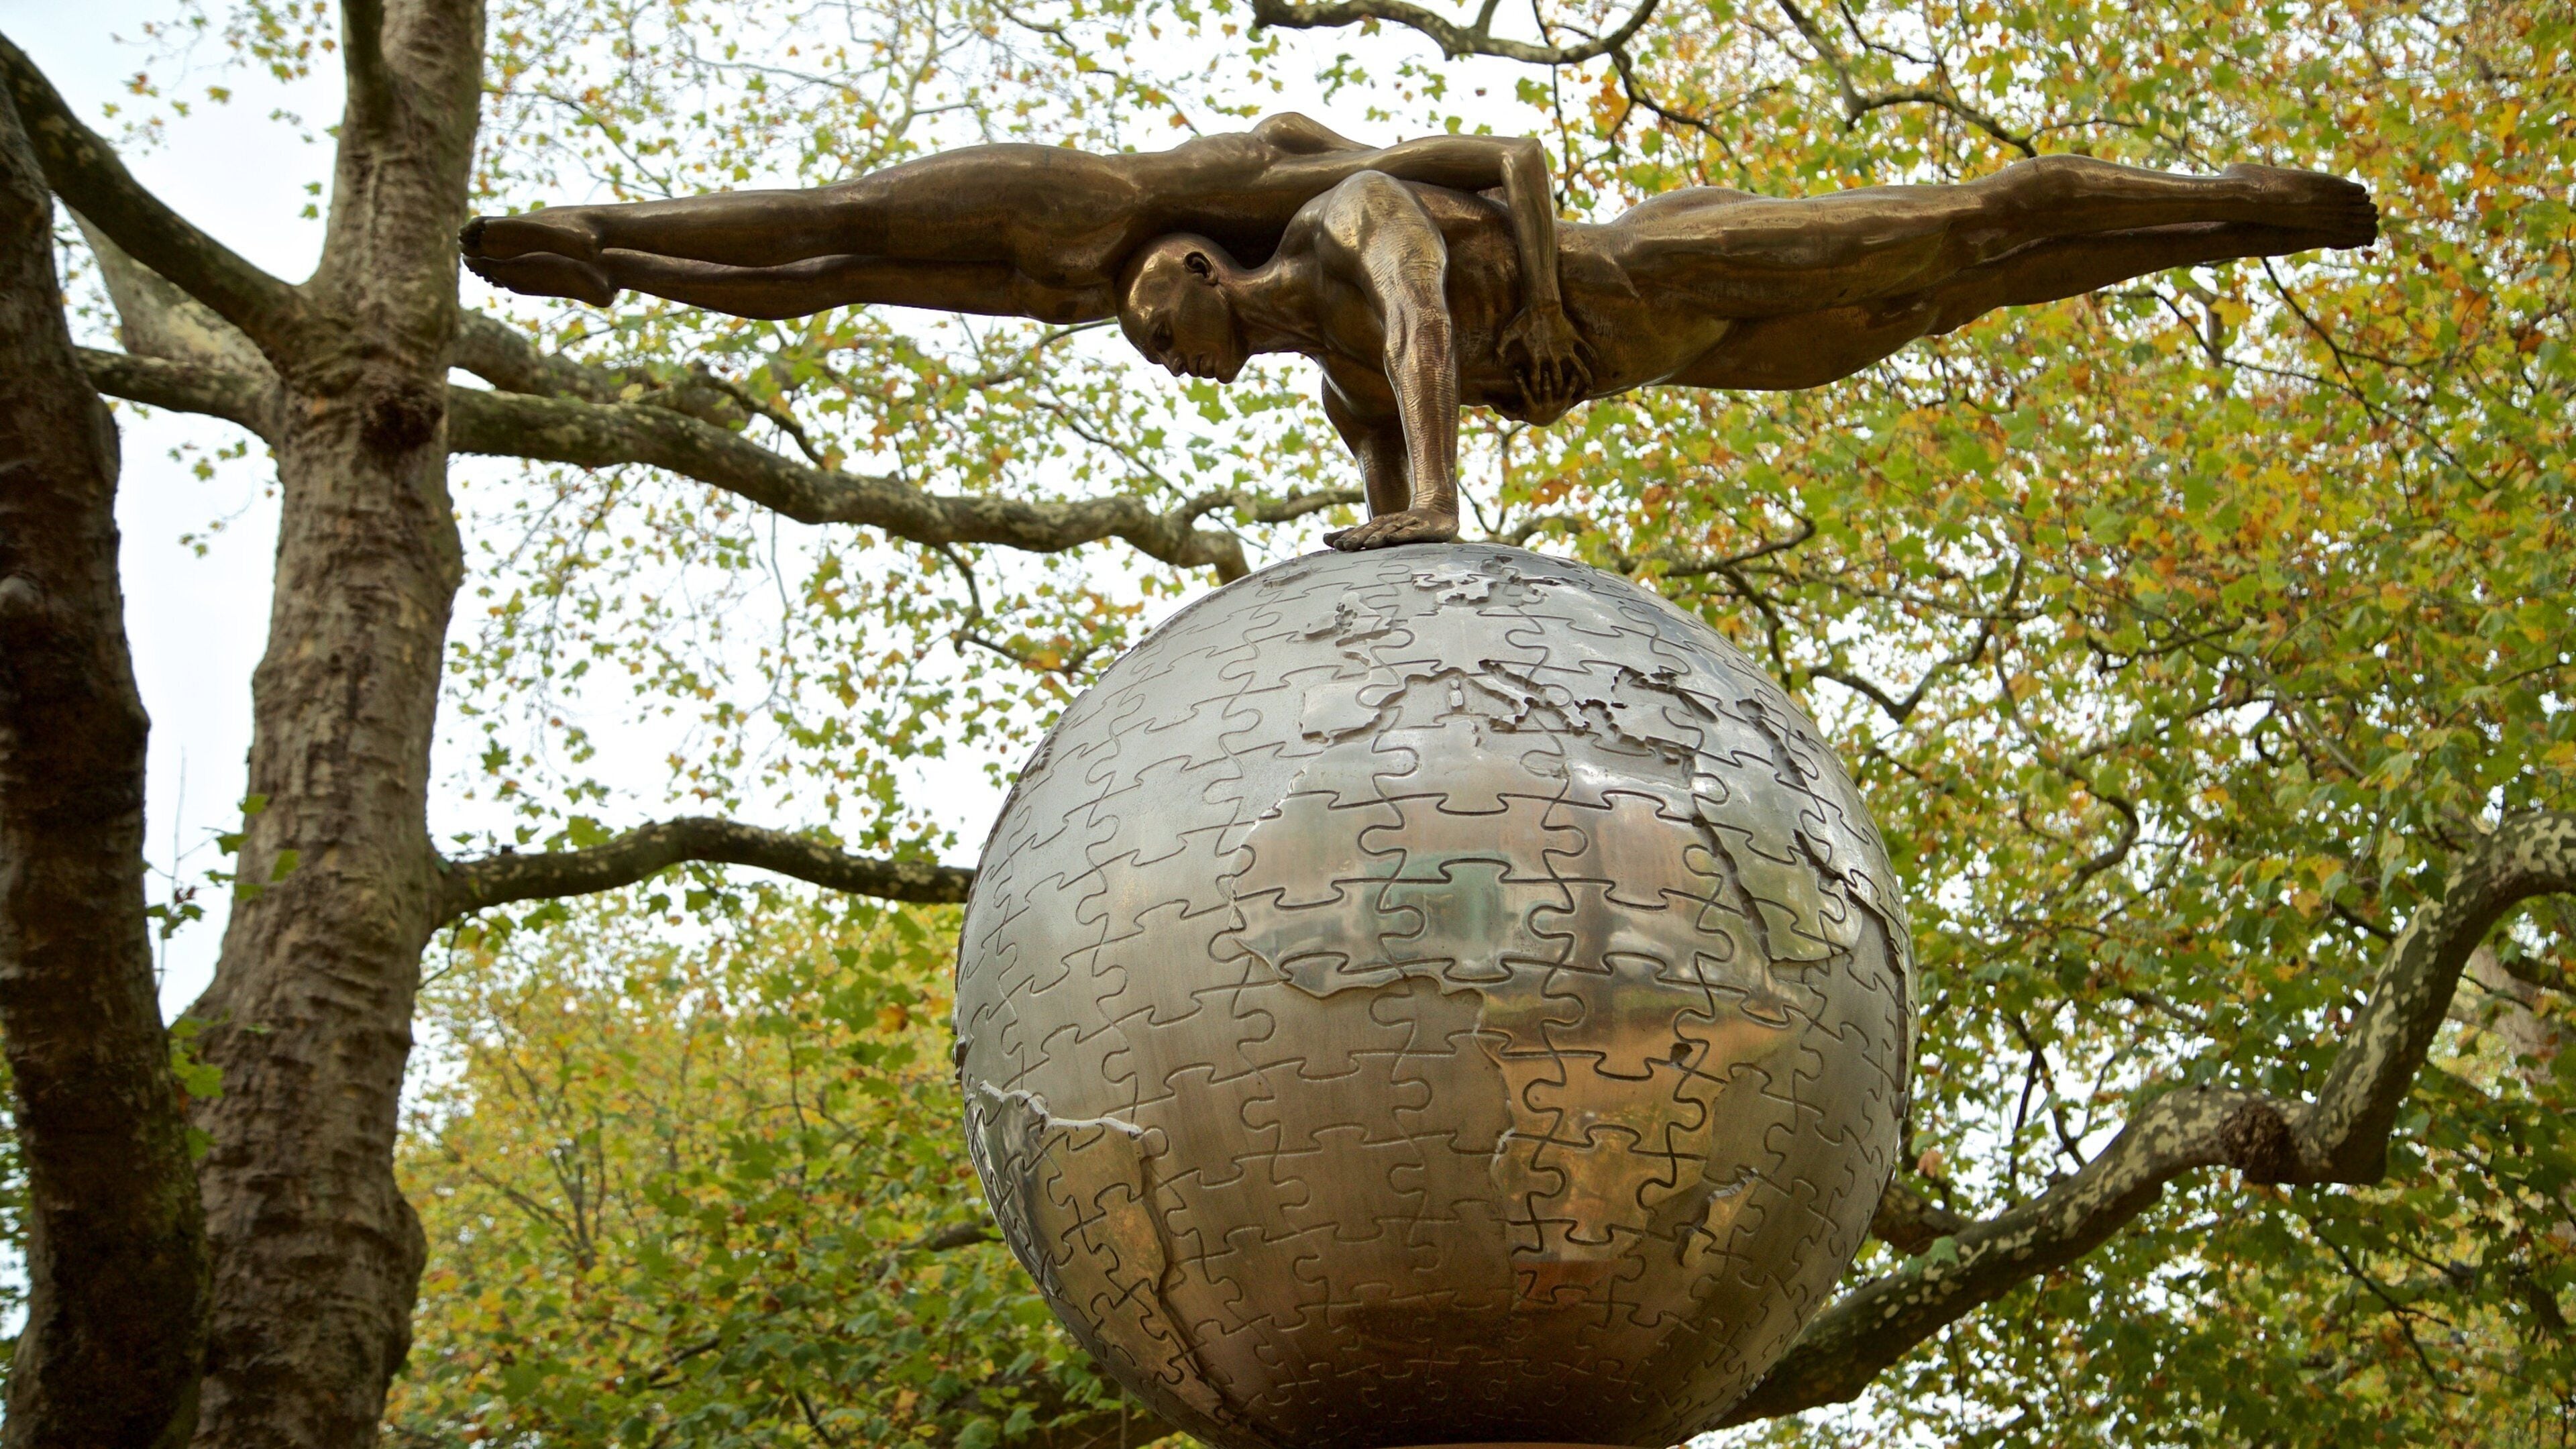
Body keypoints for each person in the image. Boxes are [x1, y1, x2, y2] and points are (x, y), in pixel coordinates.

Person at [1108, 154, 2379, 550]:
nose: (1169, 356)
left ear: (1201, 272)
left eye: (1160, 325)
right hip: (1670, 357)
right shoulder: (1351, 402)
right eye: (1152, 354)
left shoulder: (1340, 224)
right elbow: (1412, 554)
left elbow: (1435, 300)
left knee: (1962, 227)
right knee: (1941, 309)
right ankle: (2213, 243)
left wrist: (1543, 308)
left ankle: (2238, 192)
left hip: (1657, 271)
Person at [460, 113, 1591, 414]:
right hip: (1066, 202)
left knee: (833, 275)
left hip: (1063, 281)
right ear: (1201, 273)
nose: (1183, 366)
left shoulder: (1110, 303)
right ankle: (596, 222)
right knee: (840, 214)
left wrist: (639, 277)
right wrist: (1541, 293)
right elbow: (1506, 154)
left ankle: (617, 266)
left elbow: (823, 279)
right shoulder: (1272, 198)